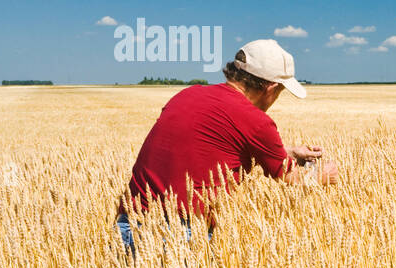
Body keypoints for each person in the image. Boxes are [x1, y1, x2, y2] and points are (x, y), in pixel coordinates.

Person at [117, 38, 338, 252]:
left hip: (128, 224)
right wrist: (323, 175)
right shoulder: (256, 120)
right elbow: (291, 178)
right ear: (270, 88)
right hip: (180, 235)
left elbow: (215, 145)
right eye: (280, 91)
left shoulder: (188, 93)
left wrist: (288, 151)